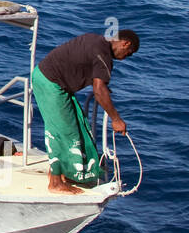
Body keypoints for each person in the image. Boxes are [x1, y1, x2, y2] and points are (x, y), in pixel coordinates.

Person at [32, 30, 137, 194]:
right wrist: (116, 119)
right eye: (128, 54)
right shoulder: (104, 54)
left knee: (77, 127)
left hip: (52, 80)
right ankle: (55, 182)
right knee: (62, 131)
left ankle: (65, 174)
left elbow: (84, 67)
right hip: (50, 82)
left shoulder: (97, 42)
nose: (125, 57)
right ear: (125, 43)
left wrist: (102, 87)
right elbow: (98, 89)